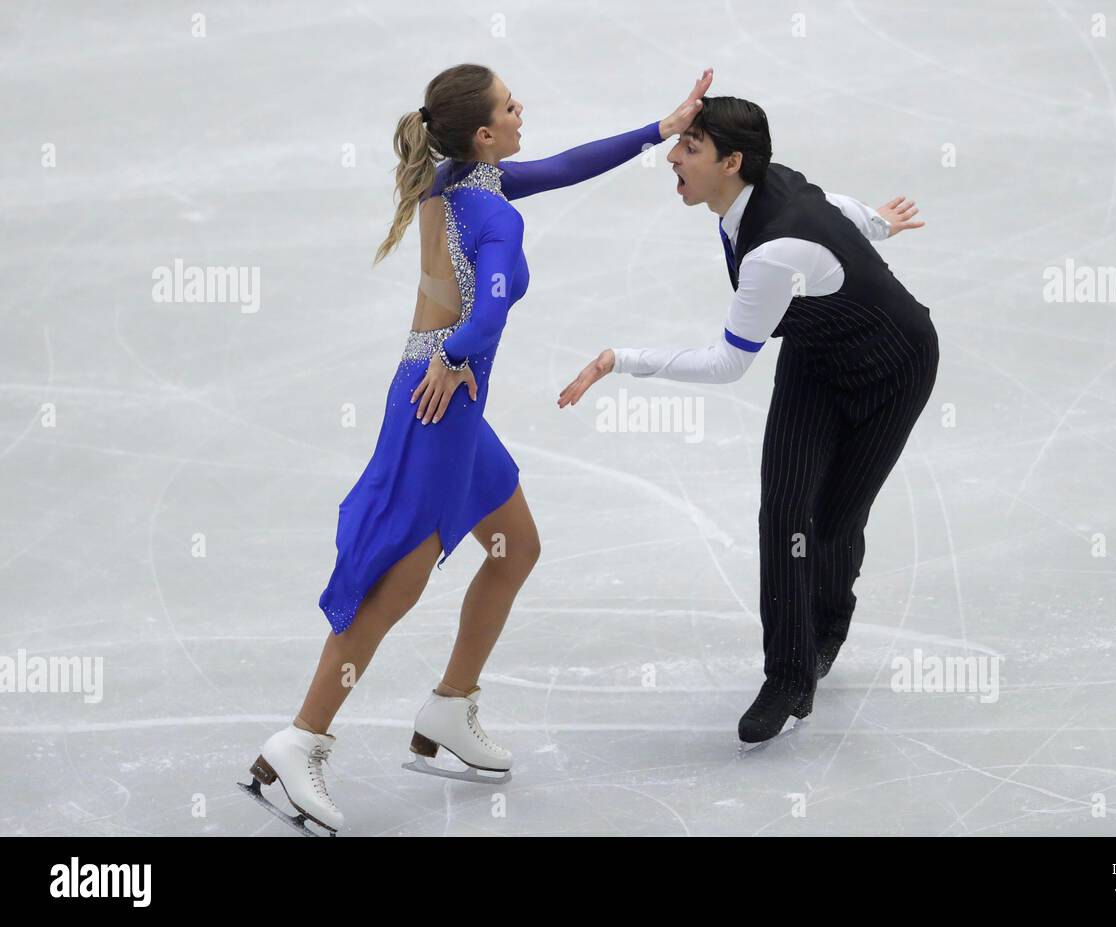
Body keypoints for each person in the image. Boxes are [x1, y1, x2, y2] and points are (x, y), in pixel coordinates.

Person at [240, 64, 716, 835]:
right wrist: (459, 351)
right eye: (508, 104)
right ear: (485, 133)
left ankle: (450, 707)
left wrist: (655, 130)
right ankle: (301, 740)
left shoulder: (460, 177)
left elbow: (562, 166)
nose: (522, 107)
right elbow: (487, 312)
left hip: (442, 399)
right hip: (441, 403)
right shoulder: (497, 217)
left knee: (514, 543)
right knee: (396, 580)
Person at [558, 95, 936, 745]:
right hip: (818, 357)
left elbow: (727, 363)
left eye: (691, 149)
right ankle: (789, 677)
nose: (673, 156)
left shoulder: (772, 251)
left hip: (894, 368)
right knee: (785, 514)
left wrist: (622, 359)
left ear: (733, 161)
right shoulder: (759, 187)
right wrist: (874, 222)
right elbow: (834, 206)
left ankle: (829, 624)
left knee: (834, 523)